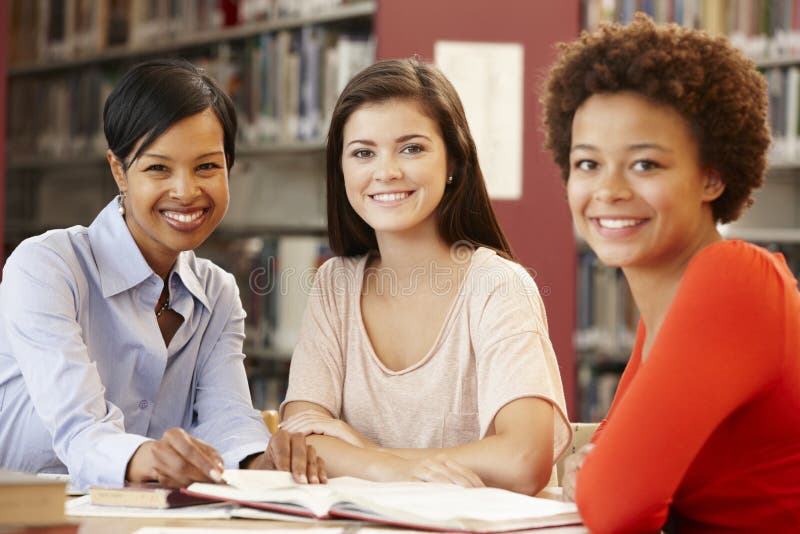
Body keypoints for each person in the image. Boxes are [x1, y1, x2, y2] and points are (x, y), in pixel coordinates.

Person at [0, 59, 325, 490]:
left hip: (147, 515)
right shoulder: (46, 267)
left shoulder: (218, 292)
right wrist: (148, 457)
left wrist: (259, 462)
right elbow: (79, 429)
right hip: (36, 516)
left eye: (207, 166)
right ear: (119, 170)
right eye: (158, 168)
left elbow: (226, 416)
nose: (187, 191)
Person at [541, 14, 800, 532]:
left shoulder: (732, 281)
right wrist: (597, 470)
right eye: (588, 164)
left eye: (645, 165)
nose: (608, 190)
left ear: (711, 177)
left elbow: (614, 500)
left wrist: (599, 473)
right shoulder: (668, 300)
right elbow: (597, 463)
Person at [278, 58, 571, 495]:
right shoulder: (334, 284)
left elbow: (524, 459)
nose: (386, 171)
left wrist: (369, 457)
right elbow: (299, 441)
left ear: (453, 162)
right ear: (340, 170)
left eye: (411, 148)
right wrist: (388, 469)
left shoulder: (498, 287)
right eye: (363, 152)